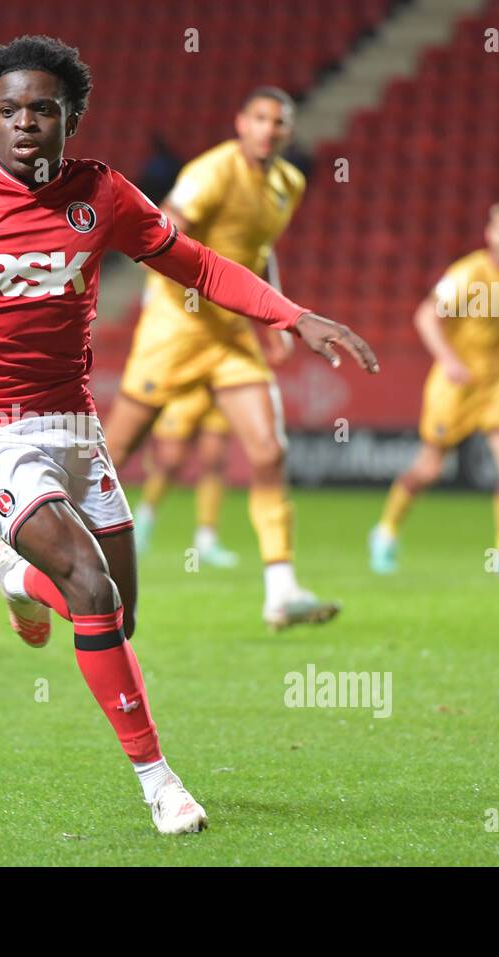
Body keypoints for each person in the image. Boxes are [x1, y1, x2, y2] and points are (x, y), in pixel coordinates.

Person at [0, 36, 378, 833]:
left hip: (75, 425)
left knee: (114, 615)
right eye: (8, 111)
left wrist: (295, 315)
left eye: (43, 108)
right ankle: (160, 782)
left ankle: (15, 578)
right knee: (89, 583)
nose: (25, 123)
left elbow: (202, 267)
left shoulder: (103, 195)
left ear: (70, 116)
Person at [99, 87, 338, 630]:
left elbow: (259, 250)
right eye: (260, 118)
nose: (270, 129)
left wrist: (274, 316)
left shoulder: (288, 183)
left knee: (268, 449)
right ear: (241, 123)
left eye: (280, 122)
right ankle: (20, 532)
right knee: (114, 451)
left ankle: (281, 590)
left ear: (289, 132)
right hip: (177, 327)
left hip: (230, 335)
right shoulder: (211, 172)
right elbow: (165, 227)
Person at [370, 199, 499, 578]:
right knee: (428, 469)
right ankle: (385, 531)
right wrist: (448, 359)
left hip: (498, 382)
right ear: (490, 233)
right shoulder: (466, 274)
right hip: (455, 384)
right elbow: (425, 316)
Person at [132, 385, 242, 568]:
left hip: (217, 387)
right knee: (170, 461)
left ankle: (206, 541)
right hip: (186, 386)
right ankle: (142, 525)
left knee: (214, 461)